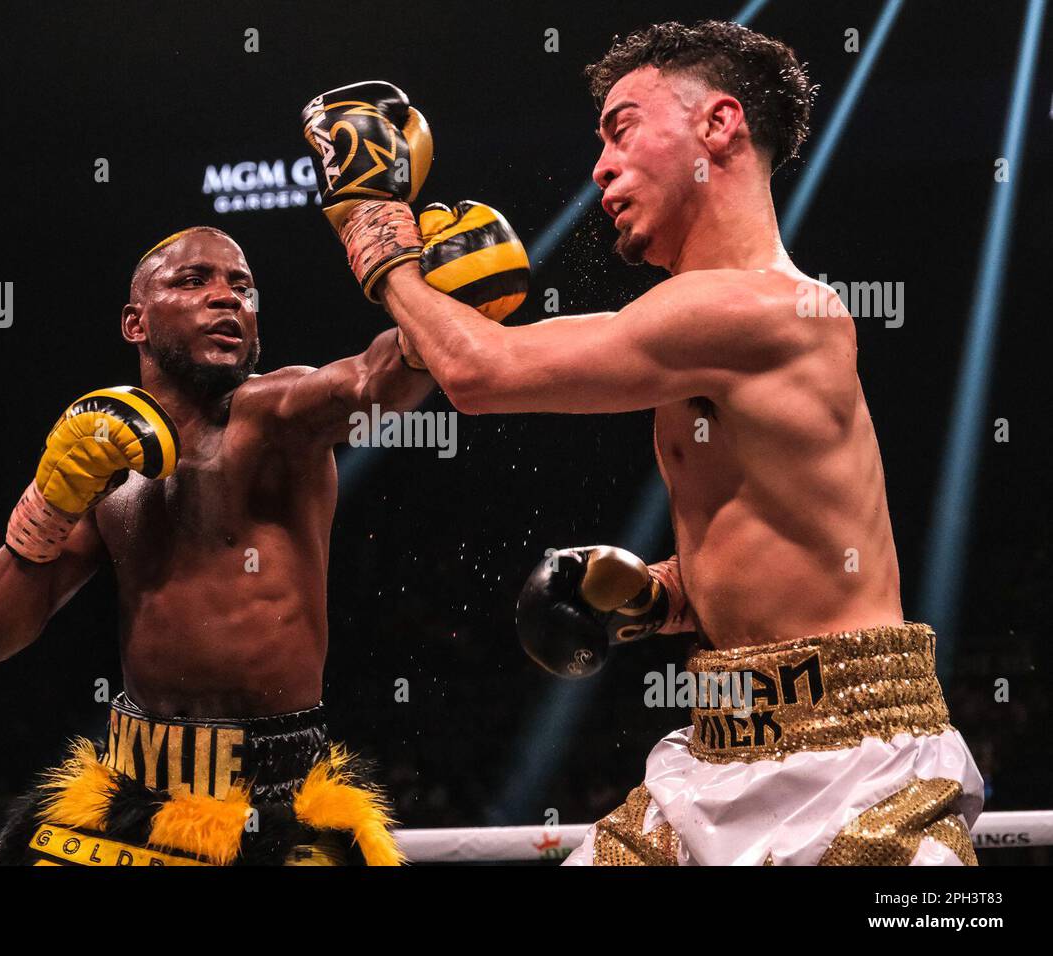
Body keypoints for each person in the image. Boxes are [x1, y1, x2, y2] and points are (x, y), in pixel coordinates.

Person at [300, 21, 982, 865]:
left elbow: (480, 373)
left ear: (719, 126)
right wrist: (655, 595)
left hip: (859, 766)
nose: (600, 168)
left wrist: (374, 226)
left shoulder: (759, 310)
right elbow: (787, 560)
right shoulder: (696, 321)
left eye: (622, 129)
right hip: (720, 747)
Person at [0, 223, 438, 865]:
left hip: (275, 801)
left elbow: (380, 380)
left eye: (242, 287)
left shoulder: (277, 416)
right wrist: (47, 504)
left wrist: (431, 283)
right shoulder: (104, 456)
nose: (227, 298)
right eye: (194, 281)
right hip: (128, 791)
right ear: (136, 323)